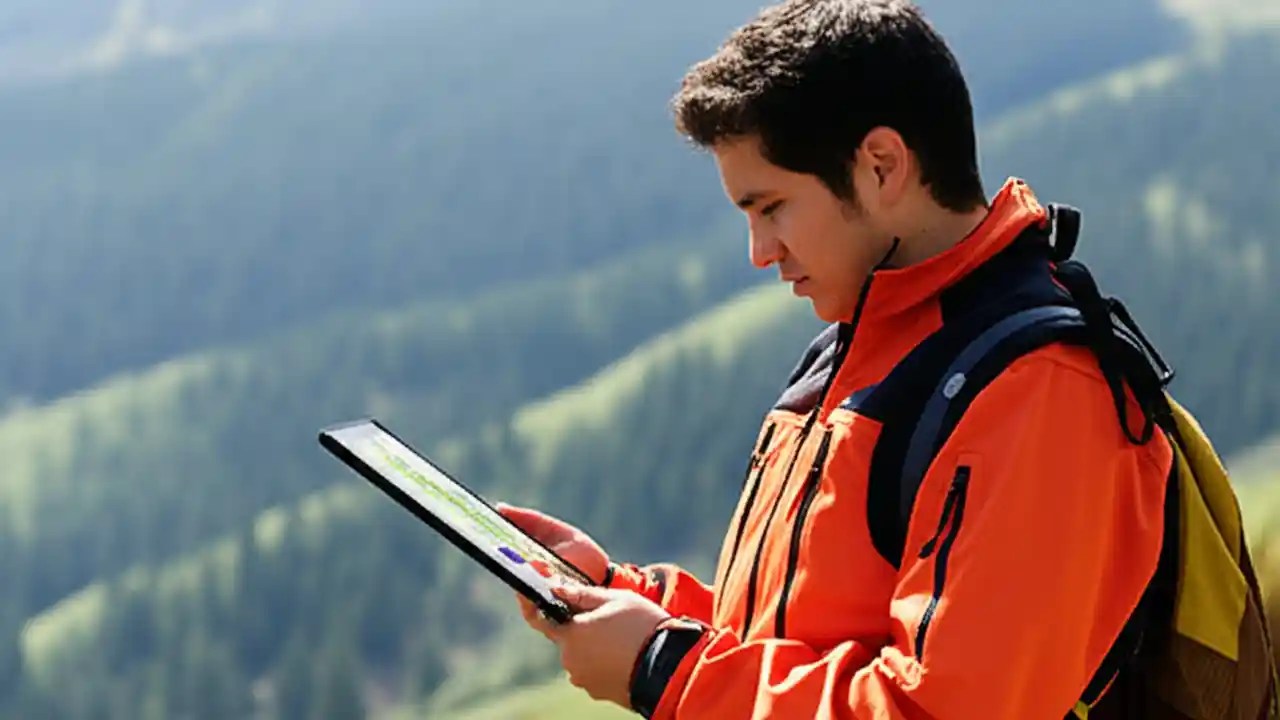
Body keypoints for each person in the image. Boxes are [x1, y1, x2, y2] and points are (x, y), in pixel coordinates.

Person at [497, 1, 1219, 717]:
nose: (759, 252)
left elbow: (943, 709)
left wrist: (665, 670)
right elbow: (787, 640)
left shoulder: (1042, 391)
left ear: (881, 166)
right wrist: (632, 605)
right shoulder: (850, 348)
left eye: (770, 206)